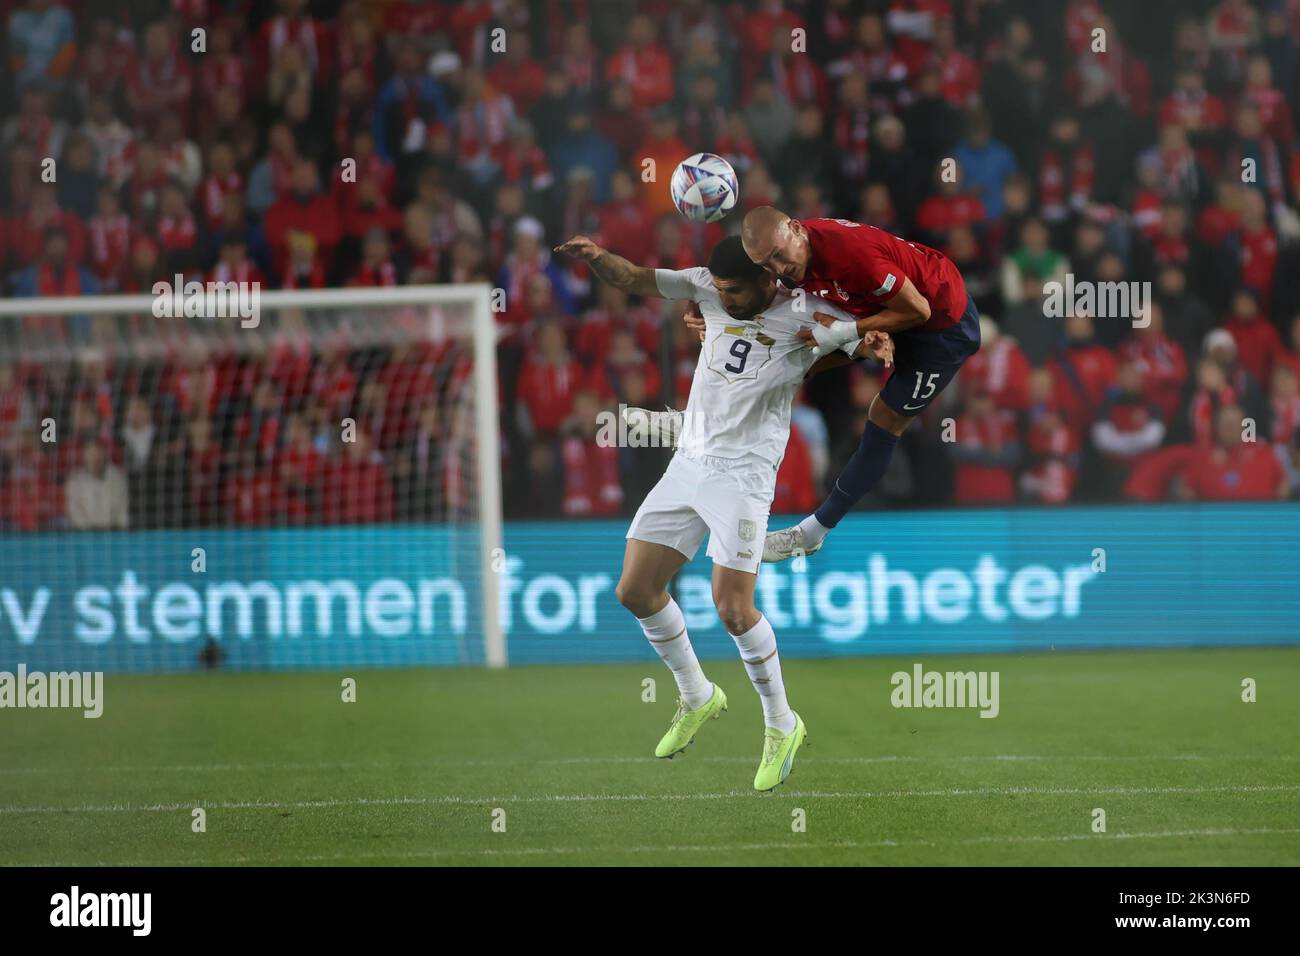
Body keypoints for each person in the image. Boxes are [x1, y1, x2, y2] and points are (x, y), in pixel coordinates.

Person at [554, 232, 891, 791]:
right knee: (634, 591)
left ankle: (783, 724)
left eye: (737, 290)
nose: (726, 298)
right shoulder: (707, 288)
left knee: (733, 609)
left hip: (744, 476)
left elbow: (861, 340)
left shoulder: (806, 312)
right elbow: (634, 276)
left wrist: (871, 344)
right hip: (689, 460)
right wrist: (596, 259)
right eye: (722, 290)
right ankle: (698, 695)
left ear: (767, 278)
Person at [737, 206, 981, 562]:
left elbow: (919, 311)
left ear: (795, 229)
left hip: (941, 325)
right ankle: (706, 421)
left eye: (778, 256)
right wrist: (700, 308)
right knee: (801, 365)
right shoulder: (796, 255)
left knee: (882, 418)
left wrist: (846, 332)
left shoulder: (850, 255)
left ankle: (813, 531)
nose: (778, 270)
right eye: (767, 264)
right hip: (879, 306)